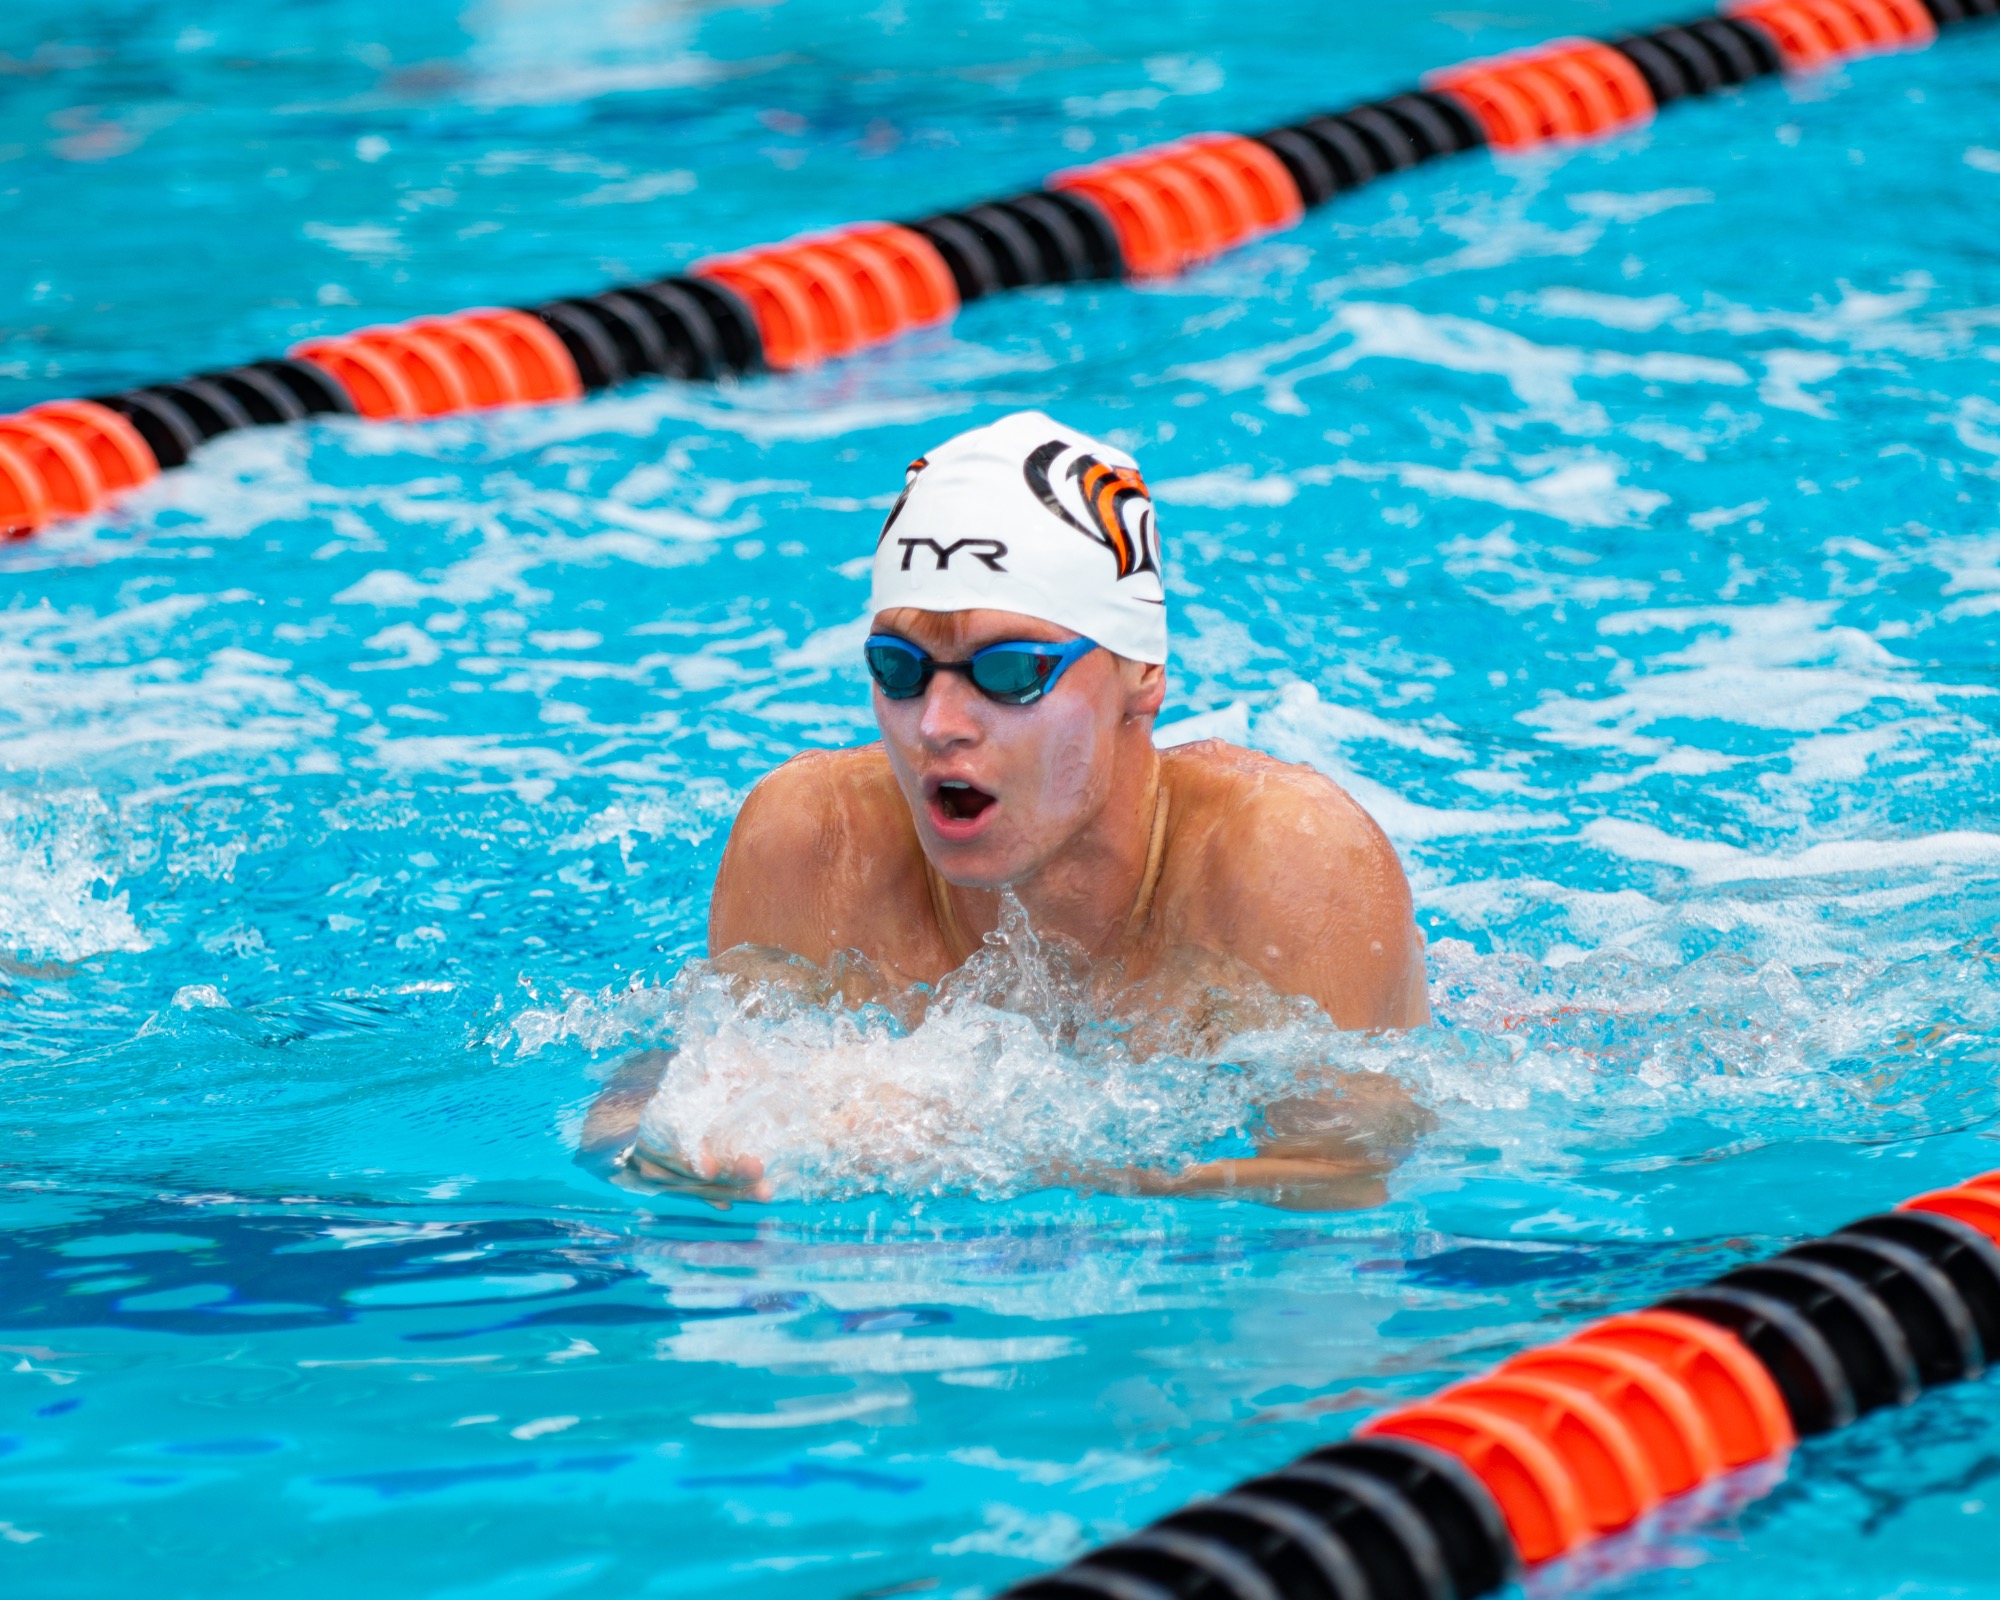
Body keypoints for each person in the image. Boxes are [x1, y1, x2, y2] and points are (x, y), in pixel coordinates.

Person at [585, 411, 1430, 1206]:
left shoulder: (1285, 864)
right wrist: (658, 1154)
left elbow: (1343, 1180)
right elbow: (664, 1080)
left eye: (1010, 671)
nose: (938, 725)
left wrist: (978, 1158)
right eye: (899, 667)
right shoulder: (813, 842)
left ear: (1143, 674)